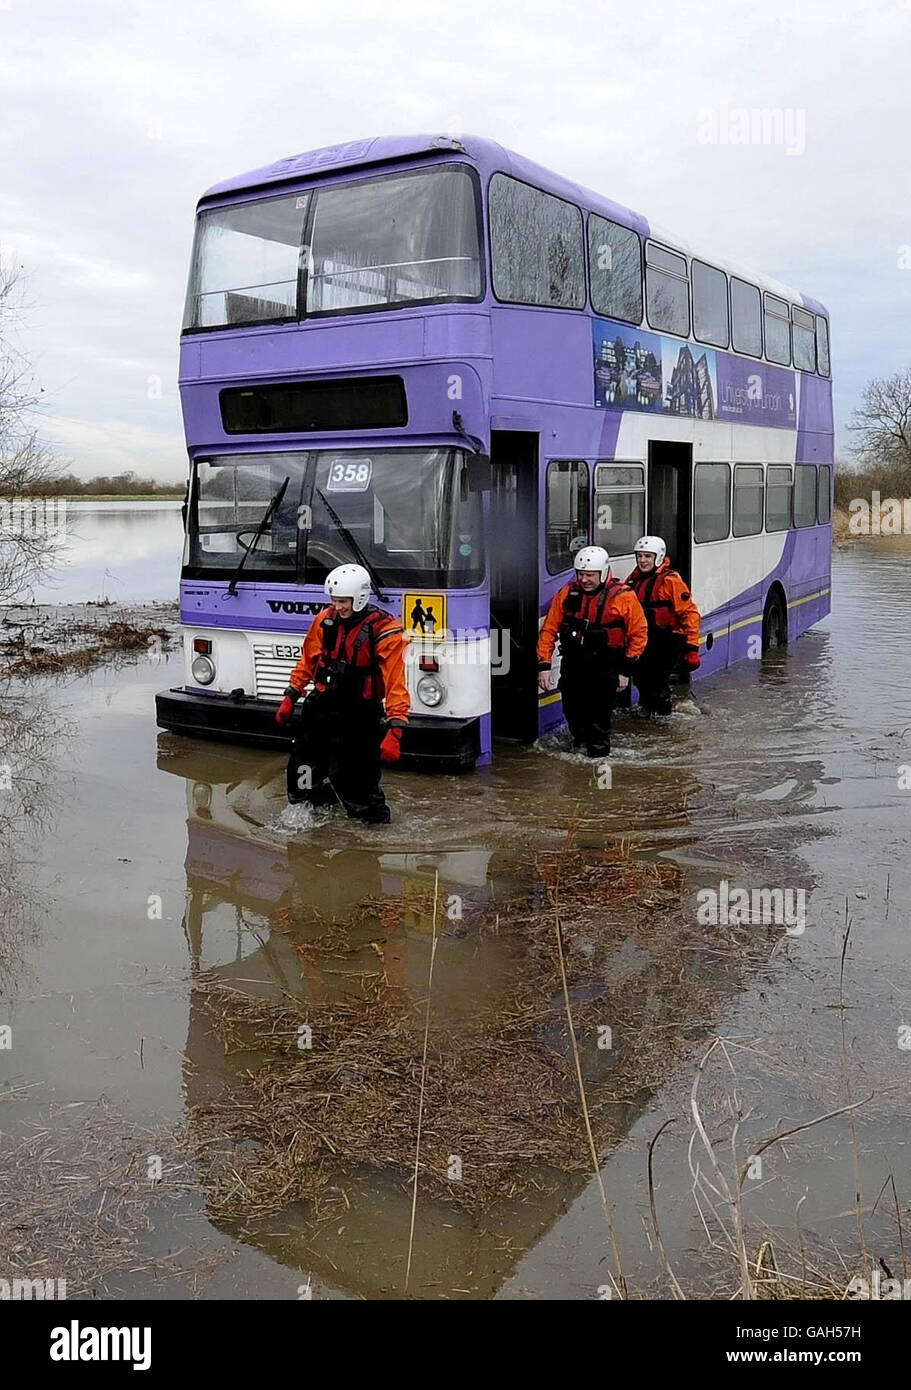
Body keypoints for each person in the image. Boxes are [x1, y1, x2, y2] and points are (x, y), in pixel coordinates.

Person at [274, 564, 410, 823]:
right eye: (334, 601)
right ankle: (308, 810)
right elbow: (308, 661)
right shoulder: (324, 621)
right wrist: (292, 695)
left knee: (357, 779)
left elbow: (395, 684)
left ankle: (372, 832)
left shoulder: (385, 631)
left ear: (359, 598)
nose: (338, 607)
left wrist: (395, 730)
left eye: (343, 602)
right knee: (303, 765)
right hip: (322, 706)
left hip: (360, 713)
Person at [537, 545, 648, 757]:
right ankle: (579, 749)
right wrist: (544, 665)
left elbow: (639, 634)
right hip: (574, 663)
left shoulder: (623, 597)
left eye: (590, 575)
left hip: (606, 665)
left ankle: (597, 764)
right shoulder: (567, 594)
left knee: (598, 720)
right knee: (572, 711)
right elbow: (549, 629)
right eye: (581, 574)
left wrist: (625, 671)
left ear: (603, 573)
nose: (585, 580)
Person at [625, 535, 701, 715]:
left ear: (658, 557)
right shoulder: (633, 580)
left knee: (656, 681)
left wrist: (692, 648)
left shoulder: (671, 581)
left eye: (647, 556)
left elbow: (690, 614)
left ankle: (663, 718)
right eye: (640, 556)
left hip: (667, 639)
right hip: (644, 639)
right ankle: (650, 713)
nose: (642, 561)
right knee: (641, 679)